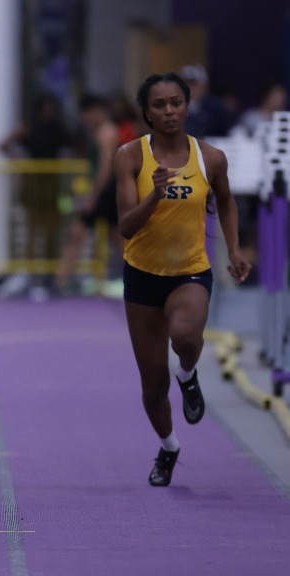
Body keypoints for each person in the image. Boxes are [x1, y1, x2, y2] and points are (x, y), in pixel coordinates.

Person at [115, 72, 251, 487]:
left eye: (176, 102)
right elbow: (125, 227)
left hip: (190, 269)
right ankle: (169, 447)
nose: (169, 111)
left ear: (187, 106)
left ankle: (188, 375)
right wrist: (154, 195)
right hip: (141, 276)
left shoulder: (210, 158)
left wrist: (234, 248)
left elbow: (226, 202)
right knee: (153, 386)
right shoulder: (131, 157)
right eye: (160, 105)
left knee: (187, 335)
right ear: (147, 113)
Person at [0, 92, 73, 300]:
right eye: (44, 107)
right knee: (32, 231)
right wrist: (16, 140)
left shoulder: (59, 129)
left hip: (54, 187)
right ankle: (31, 276)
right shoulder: (29, 128)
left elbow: (75, 148)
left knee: (53, 232)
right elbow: (3, 147)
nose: (48, 112)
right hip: (33, 186)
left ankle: (50, 276)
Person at [55, 94, 122, 292]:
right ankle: (62, 280)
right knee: (111, 237)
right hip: (105, 190)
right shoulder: (98, 132)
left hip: (107, 191)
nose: (83, 120)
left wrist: (92, 197)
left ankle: (61, 281)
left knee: (82, 233)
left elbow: (105, 168)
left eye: (85, 115)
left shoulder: (108, 132)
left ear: (94, 112)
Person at [179, 64, 233, 138]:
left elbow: (230, 129)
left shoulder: (215, 106)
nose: (189, 88)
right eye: (186, 83)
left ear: (204, 86)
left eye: (194, 84)